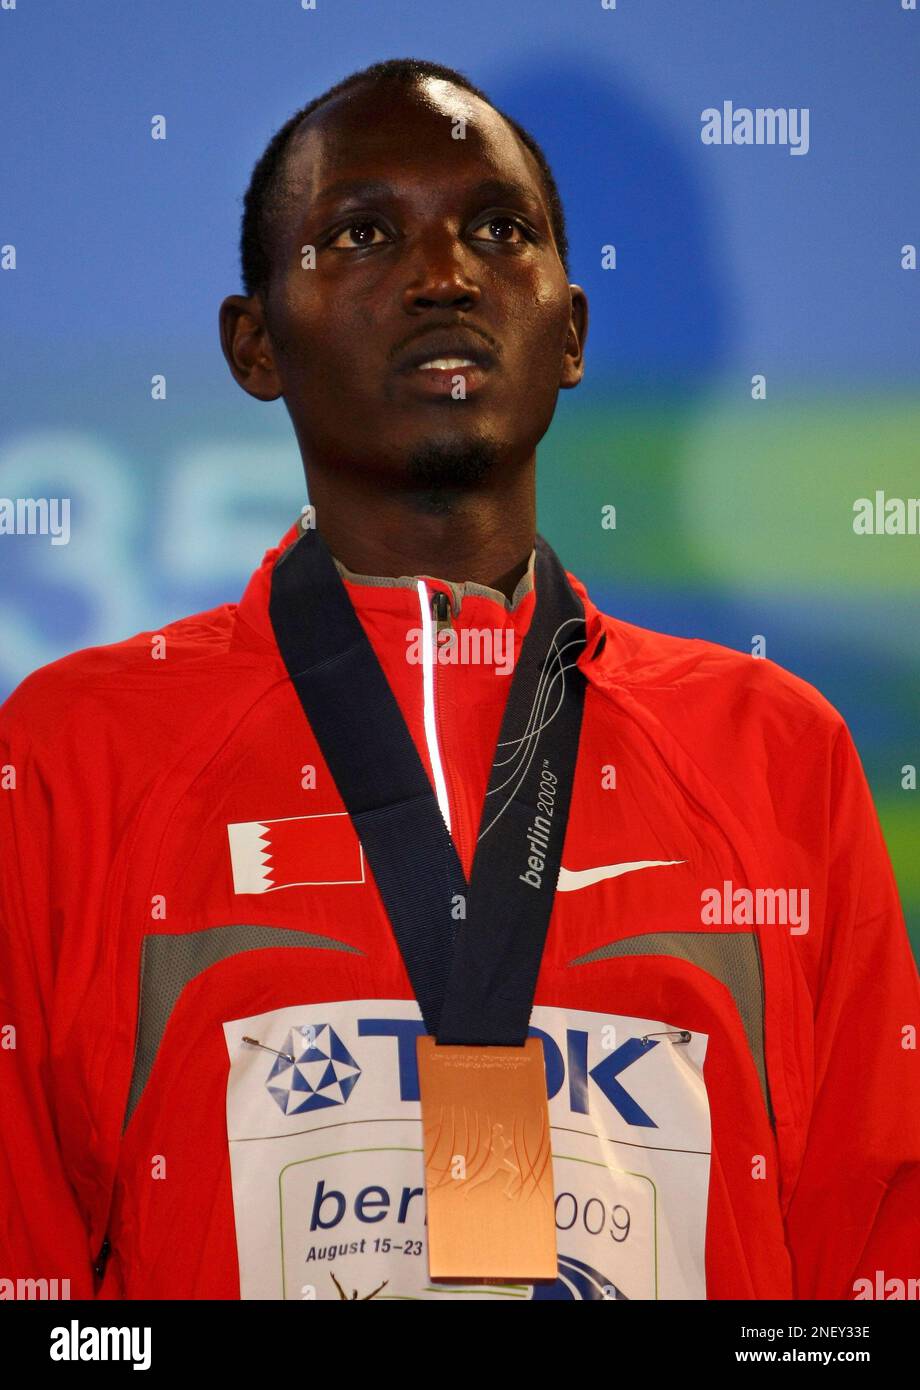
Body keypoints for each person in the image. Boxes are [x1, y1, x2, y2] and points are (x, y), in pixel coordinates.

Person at [1, 56, 917, 1303]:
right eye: (363, 233)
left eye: (497, 230)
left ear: (572, 333)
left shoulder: (772, 749)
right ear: (253, 343)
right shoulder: (75, 748)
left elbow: (872, 1261)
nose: (443, 277)